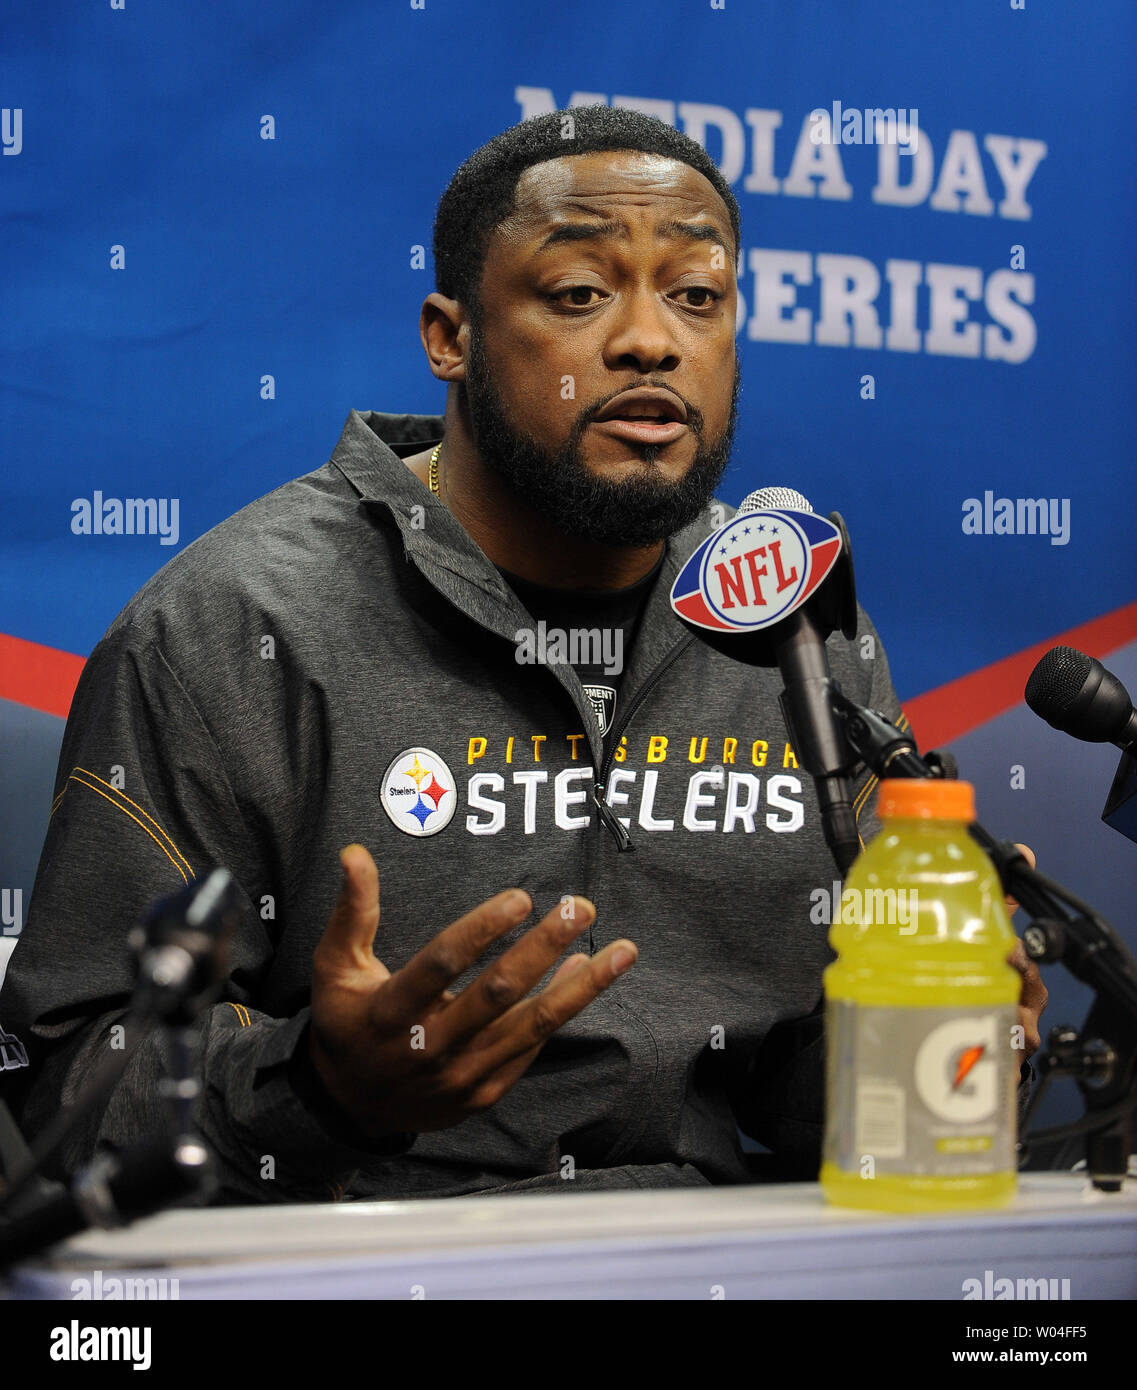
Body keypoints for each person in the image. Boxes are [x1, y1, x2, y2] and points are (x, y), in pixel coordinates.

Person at [0, 107, 1046, 1204]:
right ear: (450, 336)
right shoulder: (230, 625)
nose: (653, 340)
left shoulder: (788, 620)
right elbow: (74, 1083)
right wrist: (316, 1089)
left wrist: (949, 1042)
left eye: (698, 296)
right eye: (580, 294)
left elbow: (817, 1110)